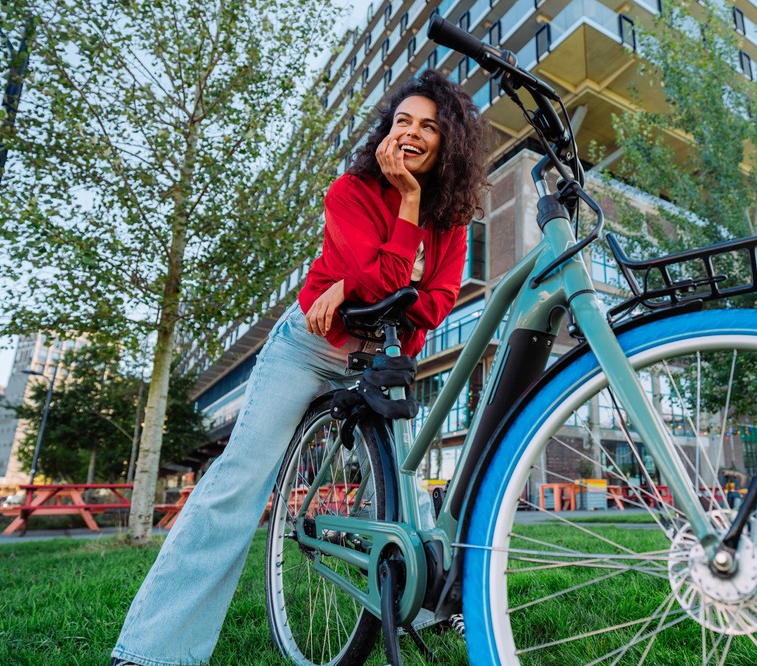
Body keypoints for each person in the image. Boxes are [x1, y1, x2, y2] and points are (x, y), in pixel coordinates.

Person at [110, 69, 490, 666]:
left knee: (406, 489)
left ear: (449, 142)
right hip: (309, 346)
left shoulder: (453, 221)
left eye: (429, 126)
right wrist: (393, 226)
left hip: (381, 358)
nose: (412, 133)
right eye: (402, 122)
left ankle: (424, 606)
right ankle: (152, 651)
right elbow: (383, 285)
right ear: (386, 134)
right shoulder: (350, 192)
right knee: (237, 484)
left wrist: (351, 284)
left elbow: (434, 306)